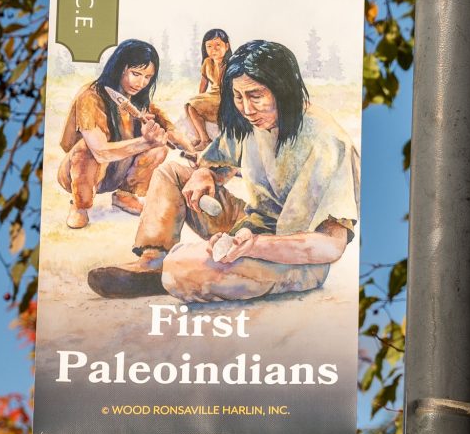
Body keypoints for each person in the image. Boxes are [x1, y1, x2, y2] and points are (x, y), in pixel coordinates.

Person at [87, 39, 357, 301]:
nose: (246, 109)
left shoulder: (328, 142)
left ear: (284, 89)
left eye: (255, 96)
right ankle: (153, 262)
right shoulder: (252, 121)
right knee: (171, 173)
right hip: (249, 228)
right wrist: (204, 173)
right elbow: (216, 160)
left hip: (296, 257)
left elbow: (331, 246)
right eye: (238, 97)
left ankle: (176, 273)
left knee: (183, 266)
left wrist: (255, 246)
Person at [56, 38, 170, 230]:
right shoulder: (90, 96)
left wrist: (183, 147)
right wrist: (145, 142)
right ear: (119, 68)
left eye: (148, 77)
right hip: (81, 173)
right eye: (136, 74)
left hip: (117, 170)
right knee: (86, 148)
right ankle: (80, 205)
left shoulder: (138, 101)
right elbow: (100, 152)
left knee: (160, 149)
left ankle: (125, 195)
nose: (141, 83)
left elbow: (171, 131)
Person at [183, 27, 231, 147]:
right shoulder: (207, 62)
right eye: (209, 46)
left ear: (227, 46)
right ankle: (201, 137)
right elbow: (204, 82)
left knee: (193, 106)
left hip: (225, 95)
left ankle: (205, 140)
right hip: (212, 95)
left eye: (217, 45)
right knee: (190, 104)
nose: (213, 49)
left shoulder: (230, 63)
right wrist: (200, 98)